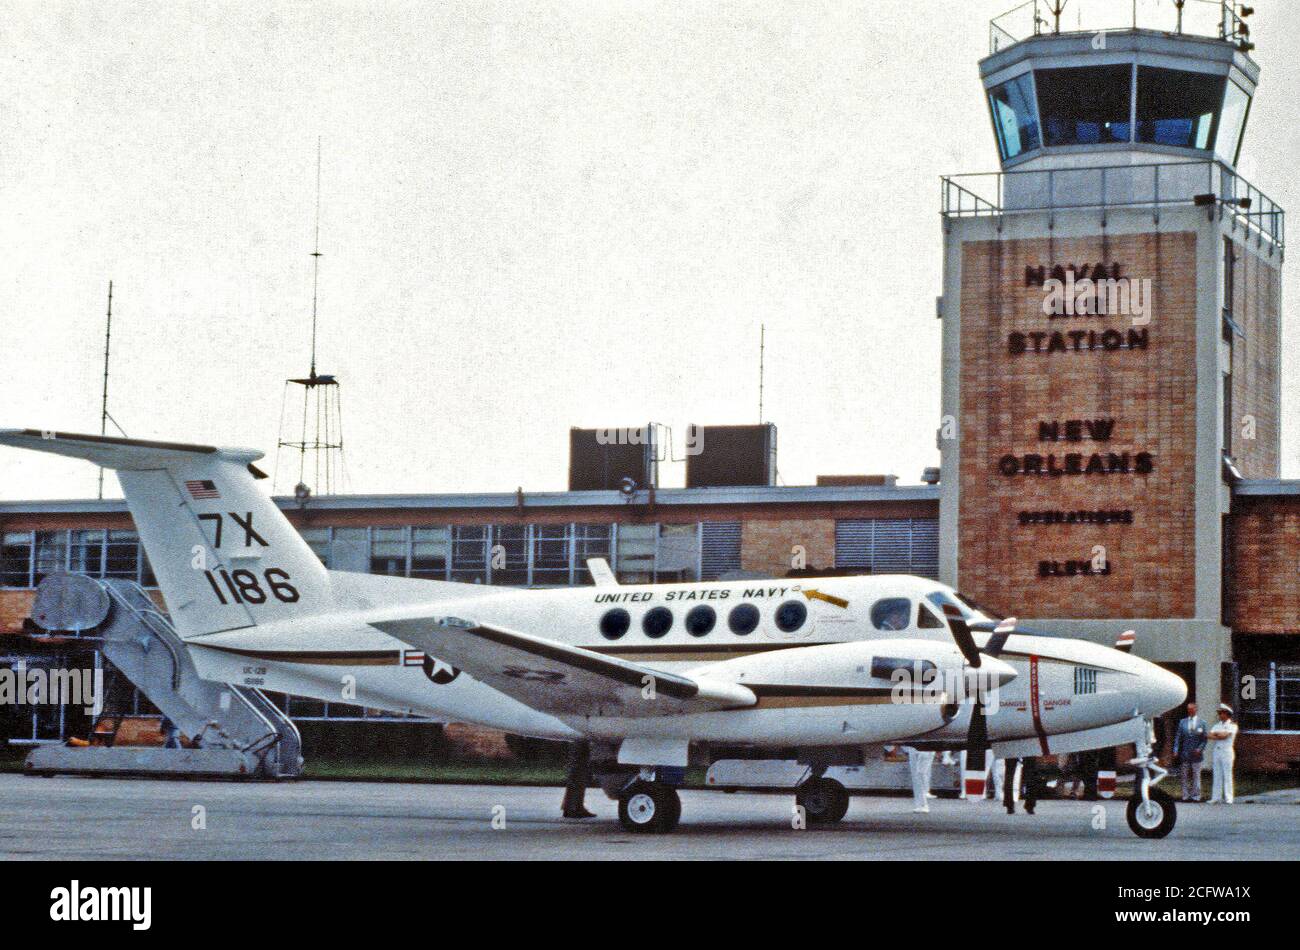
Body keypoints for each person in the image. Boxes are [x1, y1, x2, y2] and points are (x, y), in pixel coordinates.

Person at [1172, 703, 1209, 802]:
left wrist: (1200, 749)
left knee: (1196, 775)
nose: (1190, 711)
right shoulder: (1182, 722)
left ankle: (1196, 796)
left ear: (1196, 709)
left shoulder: (1202, 723)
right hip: (1185, 753)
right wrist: (1175, 750)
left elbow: (1205, 739)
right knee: (1184, 775)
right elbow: (1178, 738)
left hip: (1197, 754)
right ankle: (1185, 796)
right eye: (1188, 709)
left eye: (1192, 709)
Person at [1208, 704, 1238, 805]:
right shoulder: (1217, 725)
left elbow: (1224, 736)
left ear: (1227, 714)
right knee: (1217, 774)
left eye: (1222, 713)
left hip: (1227, 751)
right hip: (1217, 751)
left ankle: (1229, 797)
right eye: (1219, 713)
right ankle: (1216, 797)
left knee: (1227, 775)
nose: (1220, 715)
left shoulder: (1233, 725)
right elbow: (1209, 735)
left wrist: (1217, 734)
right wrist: (1218, 734)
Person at [561, 740, 596, 819]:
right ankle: (574, 807)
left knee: (578, 774)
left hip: (579, 744)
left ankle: (572, 806)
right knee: (579, 774)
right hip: (580, 744)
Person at [906, 746, 936, 813]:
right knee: (919, 775)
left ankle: (922, 804)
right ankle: (921, 804)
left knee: (919, 775)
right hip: (919, 748)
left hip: (922, 748)